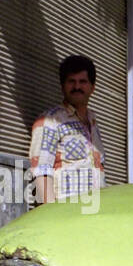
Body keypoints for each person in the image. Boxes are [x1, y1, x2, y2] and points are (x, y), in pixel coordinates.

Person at [29, 54, 105, 205]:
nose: (77, 87)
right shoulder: (51, 122)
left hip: (94, 213)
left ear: (92, 87)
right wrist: (52, 217)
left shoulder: (93, 123)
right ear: (63, 86)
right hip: (67, 217)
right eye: (71, 81)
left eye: (82, 81)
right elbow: (41, 173)